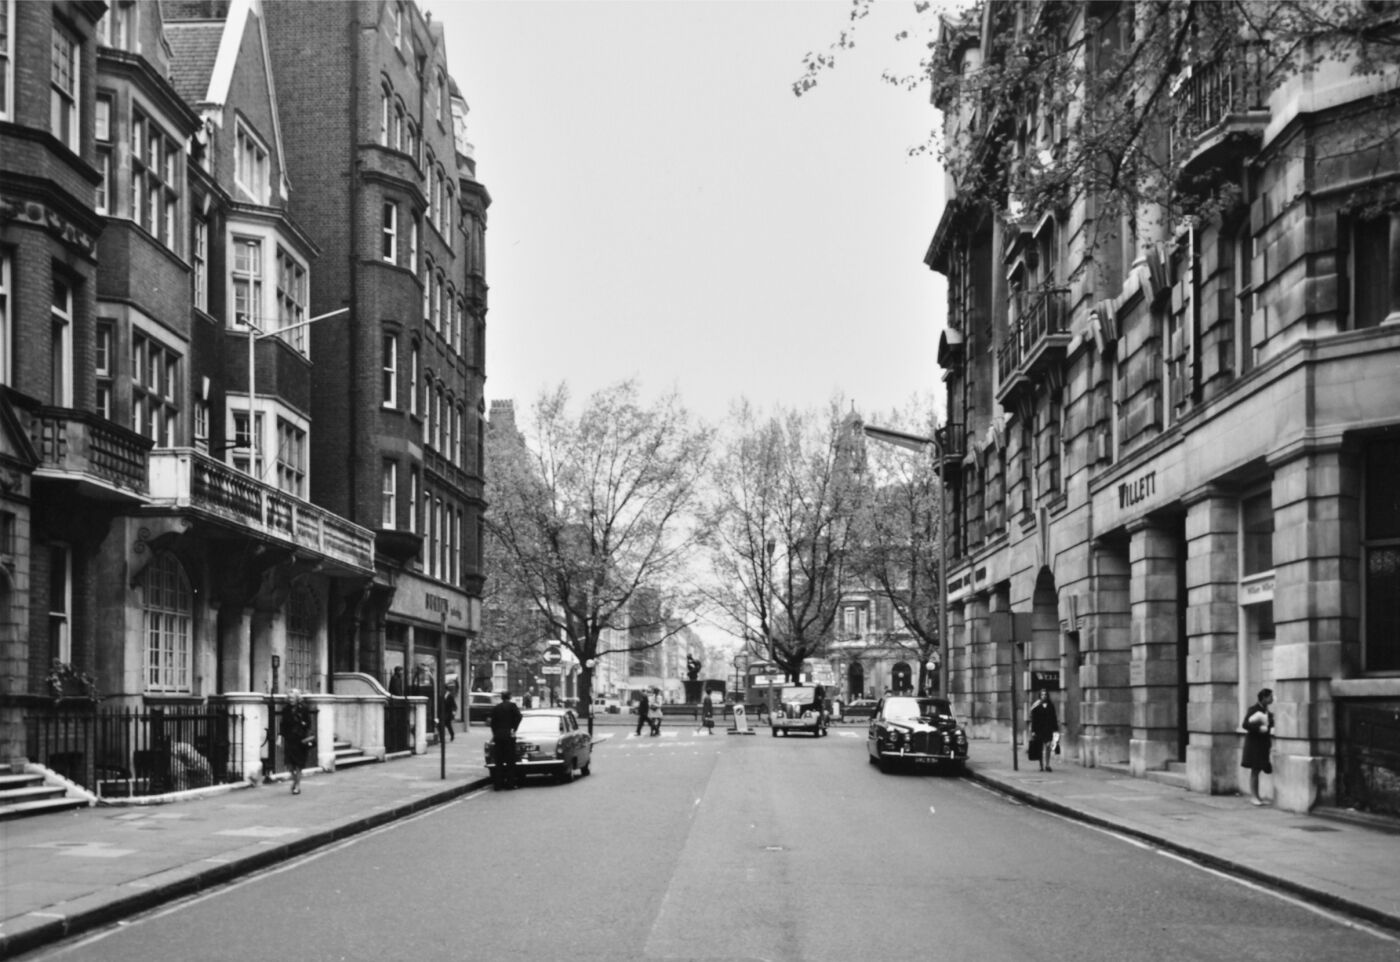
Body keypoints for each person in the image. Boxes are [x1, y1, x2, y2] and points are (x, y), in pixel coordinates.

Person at [1241, 687, 1275, 806]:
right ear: (1264, 698)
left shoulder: (1266, 711)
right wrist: (1259, 728)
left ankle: (1257, 796)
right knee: (1255, 770)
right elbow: (1245, 724)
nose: (1272, 699)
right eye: (1270, 696)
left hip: (1263, 744)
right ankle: (1254, 796)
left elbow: (1269, 724)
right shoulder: (1254, 709)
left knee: (1258, 769)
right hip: (1254, 744)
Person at [280, 689, 315, 795]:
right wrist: (280, 735)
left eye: (293, 698)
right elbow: (282, 724)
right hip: (289, 739)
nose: (291, 700)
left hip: (300, 739)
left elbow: (309, 723)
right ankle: (295, 780)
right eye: (289, 698)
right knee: (289, 764)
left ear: (297, 698)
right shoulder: (286, 709)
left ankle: (298, 786)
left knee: (299, 764)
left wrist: (303, 724)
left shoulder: (303, 708)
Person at [489, 690, 523, 791]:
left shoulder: (496, 708)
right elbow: (519, 716)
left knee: (498, 761)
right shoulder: (512, 706)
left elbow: (492, 723)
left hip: (498, 736)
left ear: (502, 698)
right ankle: (510, 784)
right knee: (510, 761)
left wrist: (495, 733)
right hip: (509, 735)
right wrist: (514, 728)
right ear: (510, 697)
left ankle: (498, 785)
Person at [1029, 688, 1059, 772]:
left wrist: (1055, 729)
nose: (1044, 696)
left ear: (1047, 696)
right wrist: (1033, 731)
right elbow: (1034, 719)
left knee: (1048, 746)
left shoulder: (1050, 705)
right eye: (1042, 695)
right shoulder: (1036, 706)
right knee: (1040, 748)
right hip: (1039, 729)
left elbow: (1054, 718)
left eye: (1045, 694)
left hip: (1048, 729)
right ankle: (1041, 765)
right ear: (1040, 696)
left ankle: (1047, 764)